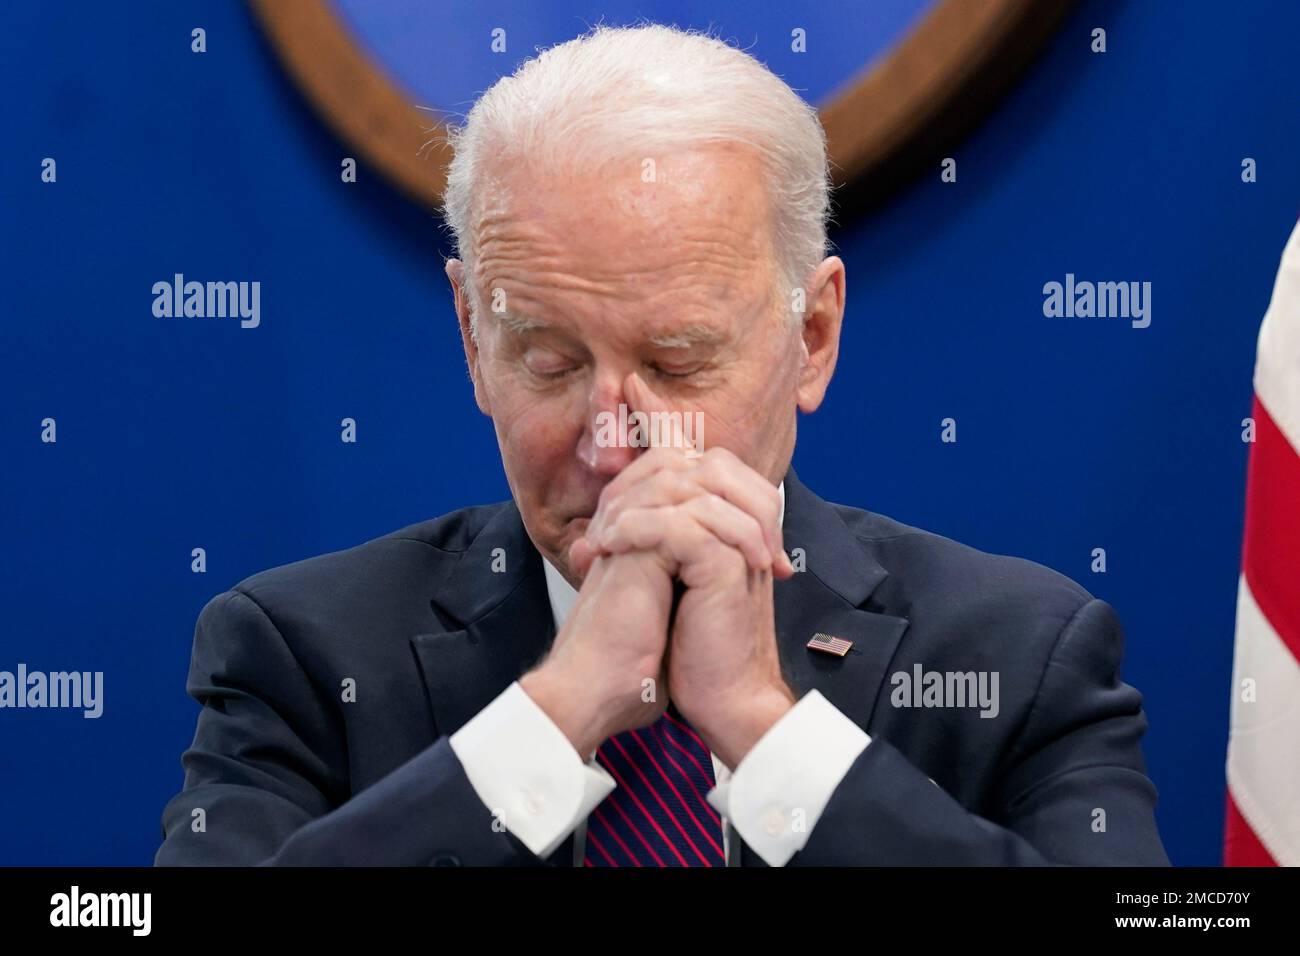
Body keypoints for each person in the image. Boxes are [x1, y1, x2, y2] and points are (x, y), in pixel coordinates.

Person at [154, 23, 1168, 867]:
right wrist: (553, 713)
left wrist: (766, 730)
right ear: (473, 338)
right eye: (548, 360)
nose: (613, 438)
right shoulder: (300, 652)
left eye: (678, 361)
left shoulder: (1019, 654)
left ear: (811, 336)